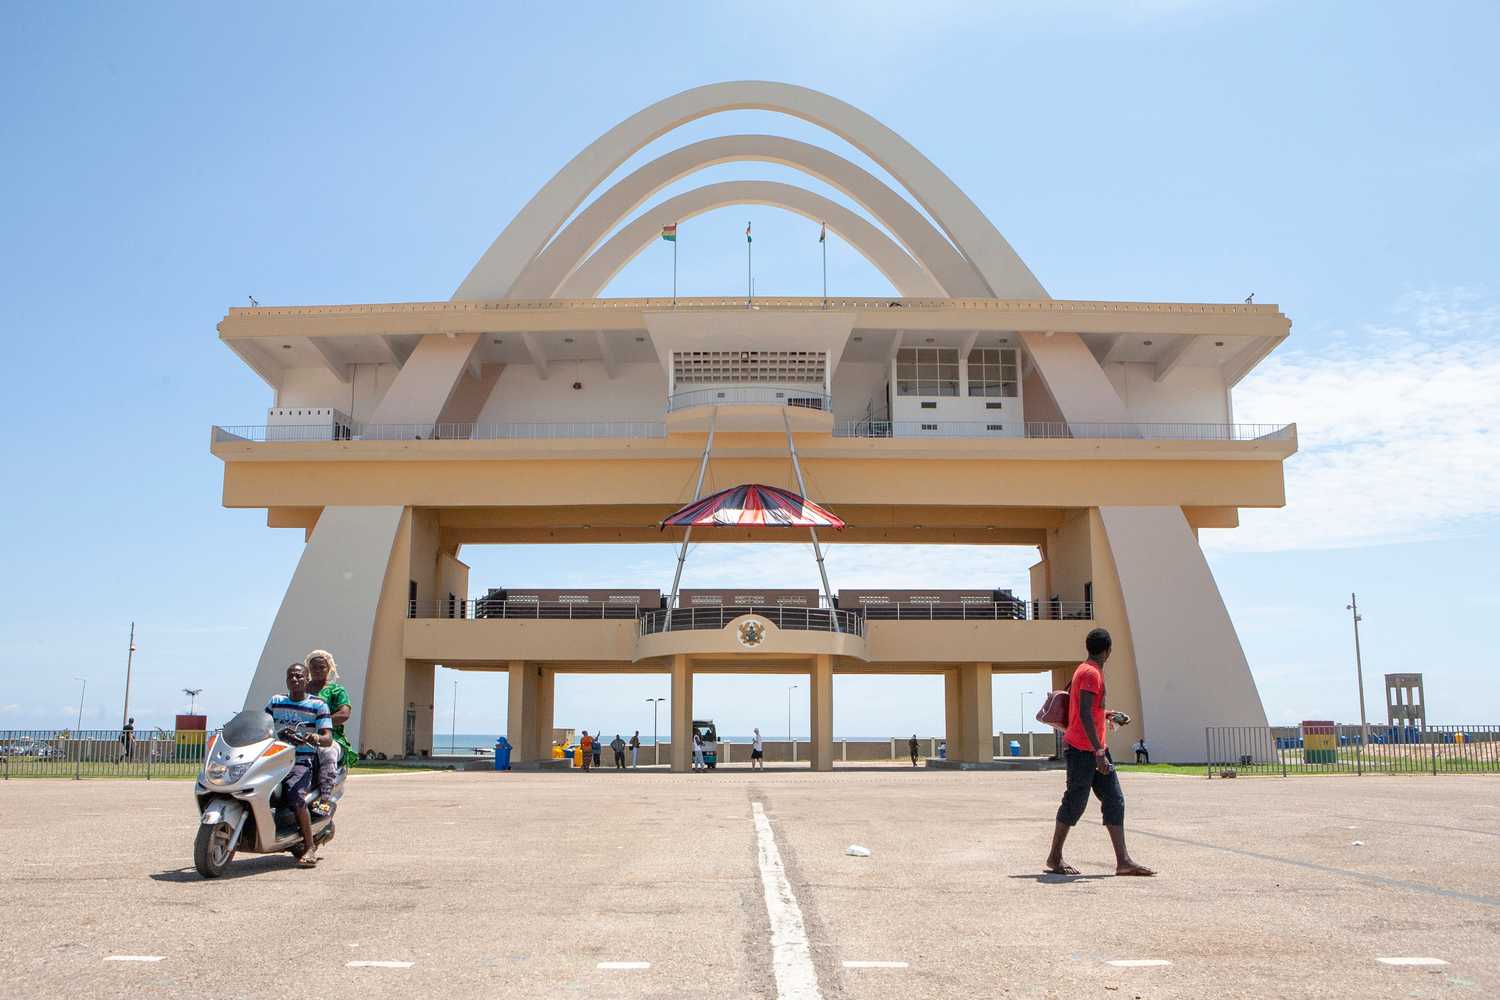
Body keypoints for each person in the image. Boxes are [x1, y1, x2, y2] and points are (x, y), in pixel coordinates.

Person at [1044, 628, 1154, 877]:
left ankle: (1123, 861)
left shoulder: (1084, 671)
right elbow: (1082, 713)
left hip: (1093, 748)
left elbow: (1087, 710)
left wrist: (1108, 715)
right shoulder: (1091, 673)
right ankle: (1054, 857)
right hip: (1085, 750)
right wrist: (1098, 752)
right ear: (1108, 650)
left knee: (1114, 799)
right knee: (1075, 802)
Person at [265, 662, 332, 868]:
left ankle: (309, 845)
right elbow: (262, 724)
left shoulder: (318, 705)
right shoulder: (276, 701)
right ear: (286, 679)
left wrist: (315, 737)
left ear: (306, 680)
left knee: (294, 793)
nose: (295, 680)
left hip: (300, 759)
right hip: (272, 758)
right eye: (291, 676)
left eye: (299, 677)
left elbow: (328, 738)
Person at [305, 649, 351, 817]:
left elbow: (344, 714)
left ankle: (324, 799)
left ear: (329, 668)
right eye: (313, 667)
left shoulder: (336, 690)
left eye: (321, 667)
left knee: (328, 752)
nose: (317, 670)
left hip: (329, 736)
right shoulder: (300, 689)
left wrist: (320, 723)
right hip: (301, 735)